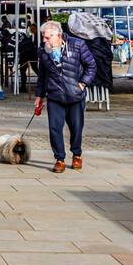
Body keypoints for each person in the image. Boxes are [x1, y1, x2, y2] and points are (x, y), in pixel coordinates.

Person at [34, 21, 97, 174]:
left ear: (58, 35)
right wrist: (39, 96)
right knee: (54, 128)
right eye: (43, 37)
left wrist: (82, 84)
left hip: (75, 95)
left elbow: (91, 66)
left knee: (76, 127)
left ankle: (77, 154)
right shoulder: (43, 52)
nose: (44, 41)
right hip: (55, 96)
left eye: (47, 37)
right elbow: (42, 76)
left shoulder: (77, 45)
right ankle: (59, 159)